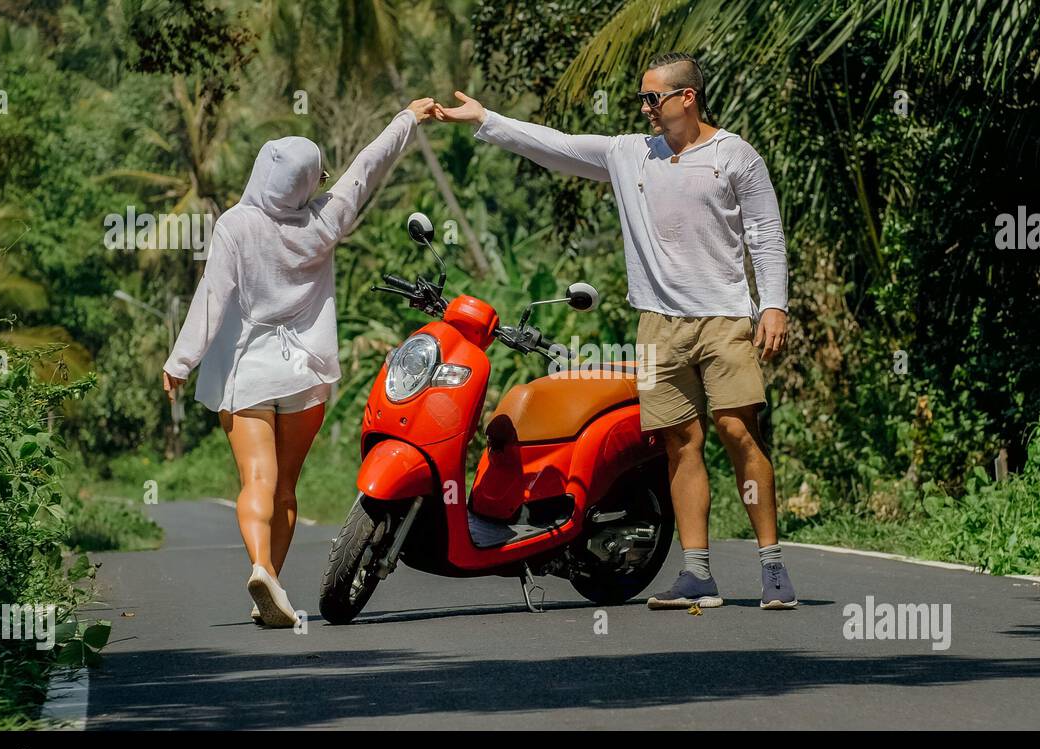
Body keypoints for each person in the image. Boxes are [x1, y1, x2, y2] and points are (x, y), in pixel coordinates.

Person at [435, 53, 797, 610]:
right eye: (642, 99)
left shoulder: (735, 156)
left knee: (737, 432)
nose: (645, 108)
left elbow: (767, 235)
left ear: (687, 98)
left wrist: (773, 306)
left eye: (653, 98)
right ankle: (697, 573)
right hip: (657, 325)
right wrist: (487, 120)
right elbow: (556, 145)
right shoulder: (631, 154)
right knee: (680, 443)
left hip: (725, 318)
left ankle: (772, 566)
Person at [161, 98, 435, 627]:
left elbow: (212, 297)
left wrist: (181, 360)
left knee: (256, 480)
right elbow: (368, 167)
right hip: (305, 375)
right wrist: (406, 118)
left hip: (249, 371)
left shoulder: (235, 226)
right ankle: (273, 587)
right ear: (308, 183)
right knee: (287, 484)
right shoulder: (325, 219)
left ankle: (262, 567)